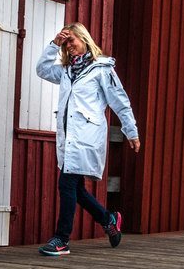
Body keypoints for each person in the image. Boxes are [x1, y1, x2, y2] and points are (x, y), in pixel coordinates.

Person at [35, 22, 140, 256]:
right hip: (68, 137)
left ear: (84, 39)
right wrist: (54, 44)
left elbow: (119, 102)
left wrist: (130, 131)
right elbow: (41, 70)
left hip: (86, 137)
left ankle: (61, 239)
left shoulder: (102, 69)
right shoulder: (65, 71)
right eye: (66, 42)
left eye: (72, 40)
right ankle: (108, 219)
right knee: (76, 188)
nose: (69, 45)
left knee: (66, 184)